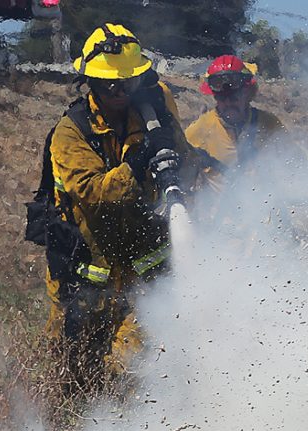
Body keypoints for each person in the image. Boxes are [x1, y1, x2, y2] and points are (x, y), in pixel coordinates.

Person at [42, 23, 194, 385]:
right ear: (90, 81)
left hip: (145, 275)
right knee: (71, 375)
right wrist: (138, 163)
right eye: (109, 81)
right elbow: (95, 194)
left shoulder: (153, 114)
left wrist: (170, 161)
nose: (119, 89)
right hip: (85, 277)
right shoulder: (70, 132)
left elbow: (186, 165)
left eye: (127, 80)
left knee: (132, 375)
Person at [186, 55, 286, 184]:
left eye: (234, 97)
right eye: (222, 98)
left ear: (247, 92)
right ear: (215, 97)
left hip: (266, 202)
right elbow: (183, 181)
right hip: (221, 204)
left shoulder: (270, 124)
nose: (228, 103)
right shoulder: (199, 131)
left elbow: (298, 163)